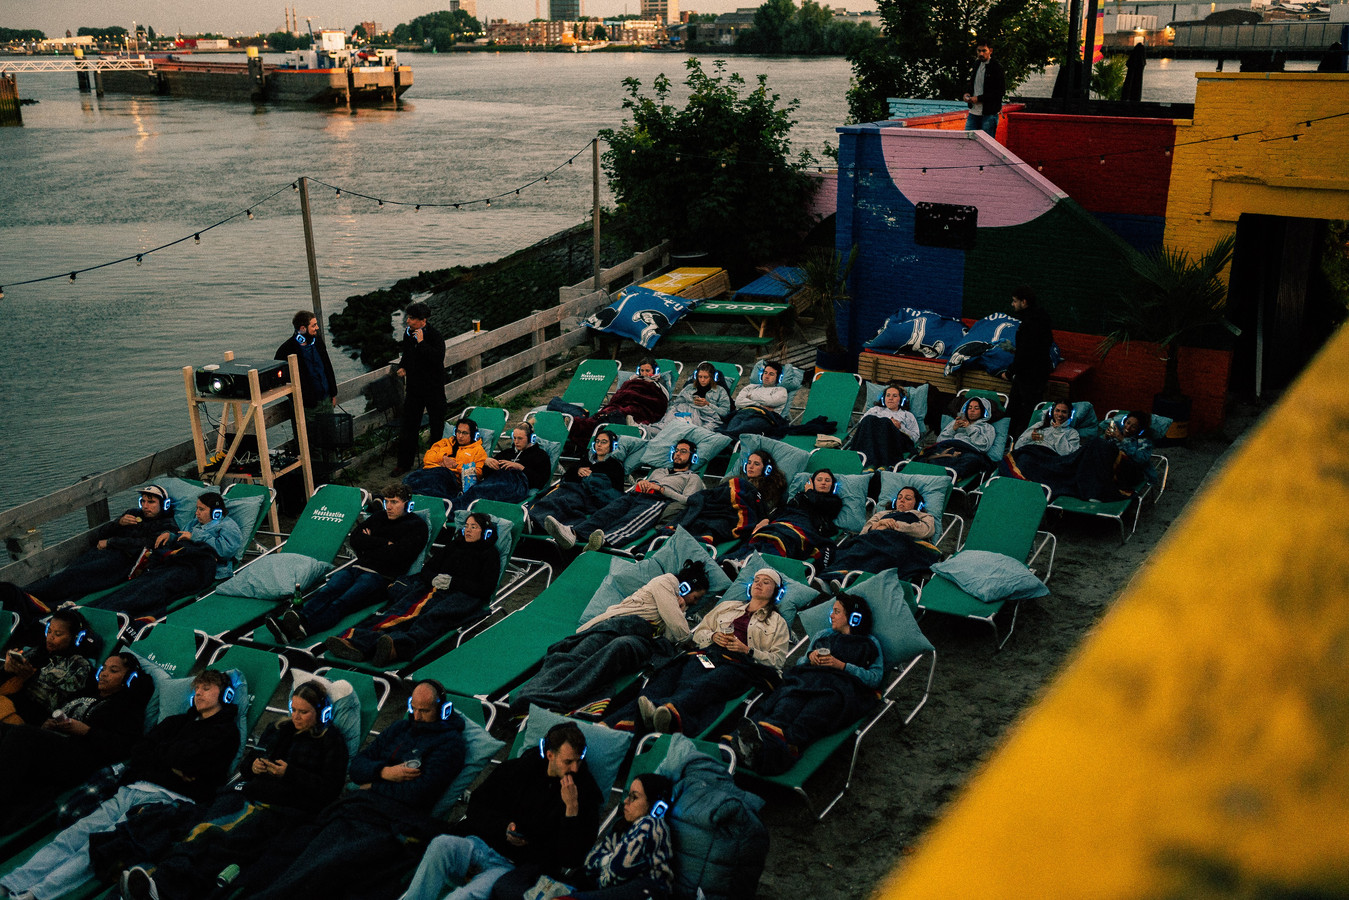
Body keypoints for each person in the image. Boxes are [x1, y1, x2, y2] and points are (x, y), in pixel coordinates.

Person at [0, 669, 240, 900]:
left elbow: (187, 759)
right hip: (132, 788)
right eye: (197, 688)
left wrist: (163, 755)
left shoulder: (226, 732)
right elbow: (140, 751)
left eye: (206, 689)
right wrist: (173, 764)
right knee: (72, 835)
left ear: (226, 695)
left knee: (95, 848)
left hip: (167, 801)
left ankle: (36, 894)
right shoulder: (175, 722)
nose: (198, 693)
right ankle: (10, 883)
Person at [118, 681, 349, 900]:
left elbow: (328, 791)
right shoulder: (282, 729)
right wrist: (255, 766)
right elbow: (247, 766)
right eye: (293, 709)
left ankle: (163, 887)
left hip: (282, 810)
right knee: (199, 829)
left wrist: (289, 773)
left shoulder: (332, 742)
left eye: (304, 712)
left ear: (322, 713)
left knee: (221, 841)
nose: (296, 717)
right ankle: (157, 879)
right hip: (249, 793)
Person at [247, 680, 467, 900]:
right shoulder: (400, 728)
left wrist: (374, 783)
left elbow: (418, 794)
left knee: (330, 863)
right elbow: (358, 766)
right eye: (413, 707)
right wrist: (384, 773)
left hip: (393, 820)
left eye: (424, 711)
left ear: (443, 710)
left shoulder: (450, 744)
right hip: (358, 808)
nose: (416, 716)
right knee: (301, 852)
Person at [398, 722, 601, 900]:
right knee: (440, 844)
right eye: (568, 762)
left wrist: (571, 810)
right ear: (550, 755)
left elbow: (571, 858)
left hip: (512, 866)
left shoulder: (583, 794)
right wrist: (503, 828)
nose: (575, 768)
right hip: (480, 844)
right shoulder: (517, 770)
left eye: (579, 760)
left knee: (463, 896)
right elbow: (477, 805)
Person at [512, 560, 707, 714]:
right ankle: (532, 696)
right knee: (573, 656)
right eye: (695, 597)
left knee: (618, 648)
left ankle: (560, 698)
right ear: (686, 587)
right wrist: (679, 615)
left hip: (639, 641)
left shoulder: (680, 608)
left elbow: (674, 637)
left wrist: (681, 611)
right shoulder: (665, 582)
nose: (693, 602)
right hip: (617, 625)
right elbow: (680, 632)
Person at [618, 568, 790, 738]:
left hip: (741, 664)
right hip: (709, 653)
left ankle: (670, 712)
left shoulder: (777, 623)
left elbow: (778, 660)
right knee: (670, 673)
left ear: (776, 592)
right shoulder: (727, 607)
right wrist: (713, 636)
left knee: (710, 680)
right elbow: (698, 634)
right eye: (757, 580)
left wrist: (747, 650)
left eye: (766, 582)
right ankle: (629, 719)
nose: (759, 583)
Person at [325, 512, 503, 667]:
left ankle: (394, 648)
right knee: (401, 611)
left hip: (465, 596)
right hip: (435, 588)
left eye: (474, 527)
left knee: (431, 618)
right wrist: (434, 578)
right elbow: (427, 569)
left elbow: (485, 589)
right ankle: (355, 642)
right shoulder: (454, 546)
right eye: (467, 526)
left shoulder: (489, 554)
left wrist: (453, 582)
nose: (468, 530)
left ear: (485, 532)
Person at [0, 651, 152, 833]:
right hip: (58, 743)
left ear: (128, 678)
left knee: (22, 735)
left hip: (78, 757)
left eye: (113, 671)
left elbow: (125, 745)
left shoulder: (126, 706)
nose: (103, 673)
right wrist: (48, 724)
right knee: (5, 730)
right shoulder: (90, 694)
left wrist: (86, 731)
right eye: (103, 669)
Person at [732, 594, 884, 776]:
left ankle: (774, 751)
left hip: (837, 690)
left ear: (854, 617)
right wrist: (809, 658)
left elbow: (875, 678)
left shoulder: (870, 643)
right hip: (806, 681)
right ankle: (758, 739)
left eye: (836, 612)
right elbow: (800, 663)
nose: (831, 616)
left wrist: (841, 665)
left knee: (808, 717)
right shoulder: (823, 635)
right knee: (785, 706)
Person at [268, 484, 428, 644]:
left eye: (394, 502)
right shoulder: (379, 517)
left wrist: (369, 544)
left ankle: (304, 629)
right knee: (327, 591)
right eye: (386, 501)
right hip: (356, 568)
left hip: (381, 578)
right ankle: (296, 621)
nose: (389, 507)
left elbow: (398, 556)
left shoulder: (417, 527)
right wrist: (385, 543)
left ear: (408, 505)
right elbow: (356, 539)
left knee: (342, 602)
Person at [0, 485, 180, 627]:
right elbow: (99, 535)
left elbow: (146, 544)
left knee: (75, 576)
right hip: (102, 553)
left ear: (163, 504)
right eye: (143, 501)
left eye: (151, 502)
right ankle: (28, 599)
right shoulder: (133, 514)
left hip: (122, 560)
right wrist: (118, 523)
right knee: (72, 572)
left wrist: (111, 543)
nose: (146, 506)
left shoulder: (166, 525)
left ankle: (25, 597)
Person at [86, 492, 244, 618]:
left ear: (216, 513)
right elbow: (181, 534)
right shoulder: (196, 523)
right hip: (177, 559)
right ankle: (95, 609)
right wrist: (170, 535)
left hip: (198, 567)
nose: (197, 513)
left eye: (201, 510)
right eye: (197, 508)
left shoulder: (228, 526)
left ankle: (110, 612)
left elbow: (225, 551)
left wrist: (196, 537)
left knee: (156, 587)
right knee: (144, 582)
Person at [524, 774, 675, 900]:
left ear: (657, 806)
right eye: (628, 795)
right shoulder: (621, 827)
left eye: (634, 797)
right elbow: (590, 861)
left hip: (646, 892)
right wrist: (612, 859)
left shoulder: (653, 824)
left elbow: (617, 871)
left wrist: (607, 862)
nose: (626, 801)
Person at [543, 439, 704, 553]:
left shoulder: (692, 478)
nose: (677, 454)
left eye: (683, 452)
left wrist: (661, 489)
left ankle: (604, 540)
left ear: (693, 457)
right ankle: (573, 534)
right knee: (607, 512)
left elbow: (689, 500)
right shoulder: (659, 470)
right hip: (636, 494)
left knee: (631, 520)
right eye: (676, 451)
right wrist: (642, 483)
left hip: (658, 501)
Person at [1001, 410, 1156, 501]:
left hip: (1126, 472)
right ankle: (1083, 482)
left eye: (1133, 426)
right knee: (1094, 444)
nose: (1128, 428)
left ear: (1140, 429)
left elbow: (1140, 459)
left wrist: (1120, 440)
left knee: (1094, 443)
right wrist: (1109, 439)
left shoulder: (1143, 442)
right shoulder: (1039, 427)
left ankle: (1095, 489)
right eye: (1127, 423)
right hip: (1103, 467)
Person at [666, 449, 786, 547]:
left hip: (734, 516)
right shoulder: (735, 481)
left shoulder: (770, 488)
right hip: (719, 508)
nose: (751, 467)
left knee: (715, 524)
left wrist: (765, 519)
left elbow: (764, 510)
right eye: (749, 463)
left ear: (767, 469)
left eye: (756, 464)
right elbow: (716, 495)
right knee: (699, 514)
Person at [821, 486, 939, 584]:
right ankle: (832, 577)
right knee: (857, 548)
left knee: (889, 554)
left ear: (917, 503)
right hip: (873, 539)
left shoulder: (923, 516)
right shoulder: (883, 513)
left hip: (899, 542)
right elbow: (865, 531)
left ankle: (852, 579)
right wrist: (880, 523)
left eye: (908, 498)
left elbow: (925, 531)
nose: (902, 500)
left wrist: (894, 525)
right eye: (899, 498)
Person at [724, 469, 843, 566]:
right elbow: (784, 509)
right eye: (819, 480)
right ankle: (737, 561)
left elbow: (819, 503)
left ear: (832, 485)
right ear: (812, 482)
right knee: (762, 537)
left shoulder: (834, 501)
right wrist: (767, 520)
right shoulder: (800, 496)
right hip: (784, 521)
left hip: (805, 527)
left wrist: (810, 492)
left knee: (779, 538)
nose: (823, 483)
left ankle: (748, 563)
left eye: (827, 481)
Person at [0, 608, 96, 726]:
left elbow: (54, 703)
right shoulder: (37, 652)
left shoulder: (78, 665)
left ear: (76, 638)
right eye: (49, 631)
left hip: (31, 716)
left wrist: (32, 676)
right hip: (11, 702)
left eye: (58, 634)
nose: (50, 637)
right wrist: (7, 669)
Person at [526, 430, 626, 534]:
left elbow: (615, 492)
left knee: (561, 501)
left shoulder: (615, 466)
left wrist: (592, 478)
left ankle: (536, 522)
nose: (599, 445)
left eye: (604, 442)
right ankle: (531, 518)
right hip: (570, 488)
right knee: (549, 497)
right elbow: (567, 476)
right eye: (597, 441)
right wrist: (577, 471)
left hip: (587, 496)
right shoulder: (586, 459)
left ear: (613, 446)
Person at [564, 358, 672, 451]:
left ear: (655, 371)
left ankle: (575, 426)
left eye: (647, 371)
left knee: (607, 419)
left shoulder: (657, 386)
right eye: (642, 370)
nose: (644, 373)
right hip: (618, 407)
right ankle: (580, 426)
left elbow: (659, 403)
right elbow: (619, 396)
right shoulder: (631, 381)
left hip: (636, 408)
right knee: (604, 416)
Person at [394, 302, 448, 476]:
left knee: (436, 426)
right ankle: (403, 464)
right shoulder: (408, 334)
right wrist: (403, 366)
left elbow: (437, 359)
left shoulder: (435, 336)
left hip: (433, 387)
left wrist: (422, 343)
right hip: (415, 388)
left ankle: (434, 463)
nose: (408, 321)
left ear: (423, 320)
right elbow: (407, 355)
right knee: (409, 425)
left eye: (411, 318)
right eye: (408, 317)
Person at [456, 422, 553, 507]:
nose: (516, 442)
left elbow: (541, 481)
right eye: (514, 438)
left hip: (516, 486)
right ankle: (454, 508)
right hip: (496, 482)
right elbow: (486, 474)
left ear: (531, 439)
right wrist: (487, 463)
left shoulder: (540, 455)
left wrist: (520, 468)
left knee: (481, 492)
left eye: (520, 438)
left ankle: (455, 508)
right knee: (477, 489)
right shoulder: (507, 453)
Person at [1002, 286, 1055, 435]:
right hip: (1038, 373)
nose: (1012, 304)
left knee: (1017, 410)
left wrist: (1010, 371)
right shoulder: (1042, 319)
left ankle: (1013, 440)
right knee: (1028, 410)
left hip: (1028, 375)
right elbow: (1040, 346)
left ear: (1024, 302)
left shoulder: (1029, 323)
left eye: (1015, 301)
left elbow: (1025, 353)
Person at [403, 416, 491, 500]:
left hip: (449, 478)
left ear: (473, 435)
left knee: (431, 484)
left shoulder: (478, 451)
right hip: (429, 471)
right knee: (409, 480)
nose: (460, 436)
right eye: (458, 432)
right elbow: (427, 457)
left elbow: (478, 473)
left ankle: (419, 497)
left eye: (464, 433)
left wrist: (455, 465)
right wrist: (443, 458)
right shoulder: (446, 442)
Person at [912, 397, 998, 480]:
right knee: (924, 456)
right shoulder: (955, 422)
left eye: (976, 408)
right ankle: (922, 473)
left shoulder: (988, 428)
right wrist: (953, 429)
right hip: (949, 447)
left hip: (969, 451)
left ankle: (946, 477)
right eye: (970, 408)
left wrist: (969, 428)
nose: (972, 410)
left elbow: (983, 446)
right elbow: (940, 440)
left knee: (973, 461)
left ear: (983, 411)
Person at [848, 384, 922, 470]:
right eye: (888, 395)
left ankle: (880, 463)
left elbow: (915, 437)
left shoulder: (907, 415)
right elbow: (863, 426)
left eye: (895, 396)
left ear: (901, 399)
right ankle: (870, 463)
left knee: (886, 422)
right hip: (872, 438)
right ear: (884, 398)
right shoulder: (875, 410)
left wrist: (900, 427)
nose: (890, 398)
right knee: (869, 419)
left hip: (895, 440)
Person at [275, 310, 338, 410]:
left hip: (326, 400)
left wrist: (333, 393)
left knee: (329, 426)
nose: (317, 328)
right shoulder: (286, 350)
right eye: (313, 325)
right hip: (306, 407)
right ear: (303, 328)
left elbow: (327, 367)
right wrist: (300, 398)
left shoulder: (317, 341)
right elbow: (279, 379)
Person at [652, 363, 731, 432]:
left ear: (711, 377)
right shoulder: (689, 387)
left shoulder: (720, 391)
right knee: (667, 425)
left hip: (703, 417)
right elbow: (677, 402)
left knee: (688, 429)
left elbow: (725, 413)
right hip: (684, 413)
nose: (702, 380)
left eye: (705, 377)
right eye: (700, 377)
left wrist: (708, 404)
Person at [962, 36, 1005, 137]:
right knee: (967, 140)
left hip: (989, 114)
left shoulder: (996, 67)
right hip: (973, 112)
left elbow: (1000, 92)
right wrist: (967, 93)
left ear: (990, 51)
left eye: (984, 51)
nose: (981, 54)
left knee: (987, 145)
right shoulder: (976, 64)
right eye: (979, 51)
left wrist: (979, 98)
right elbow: (973, 84)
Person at [1010, 401, 1080, 456]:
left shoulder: (1072, 433)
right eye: (1057, 411)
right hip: (1031, 453)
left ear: (1070, 414)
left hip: (1050, 459)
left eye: (1064, 412)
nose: (1060, 414)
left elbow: (1067, 455)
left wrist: (1058, 432)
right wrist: (1030, 437)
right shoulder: (1040, 425)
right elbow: (1018, 446)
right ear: (1052, 412)